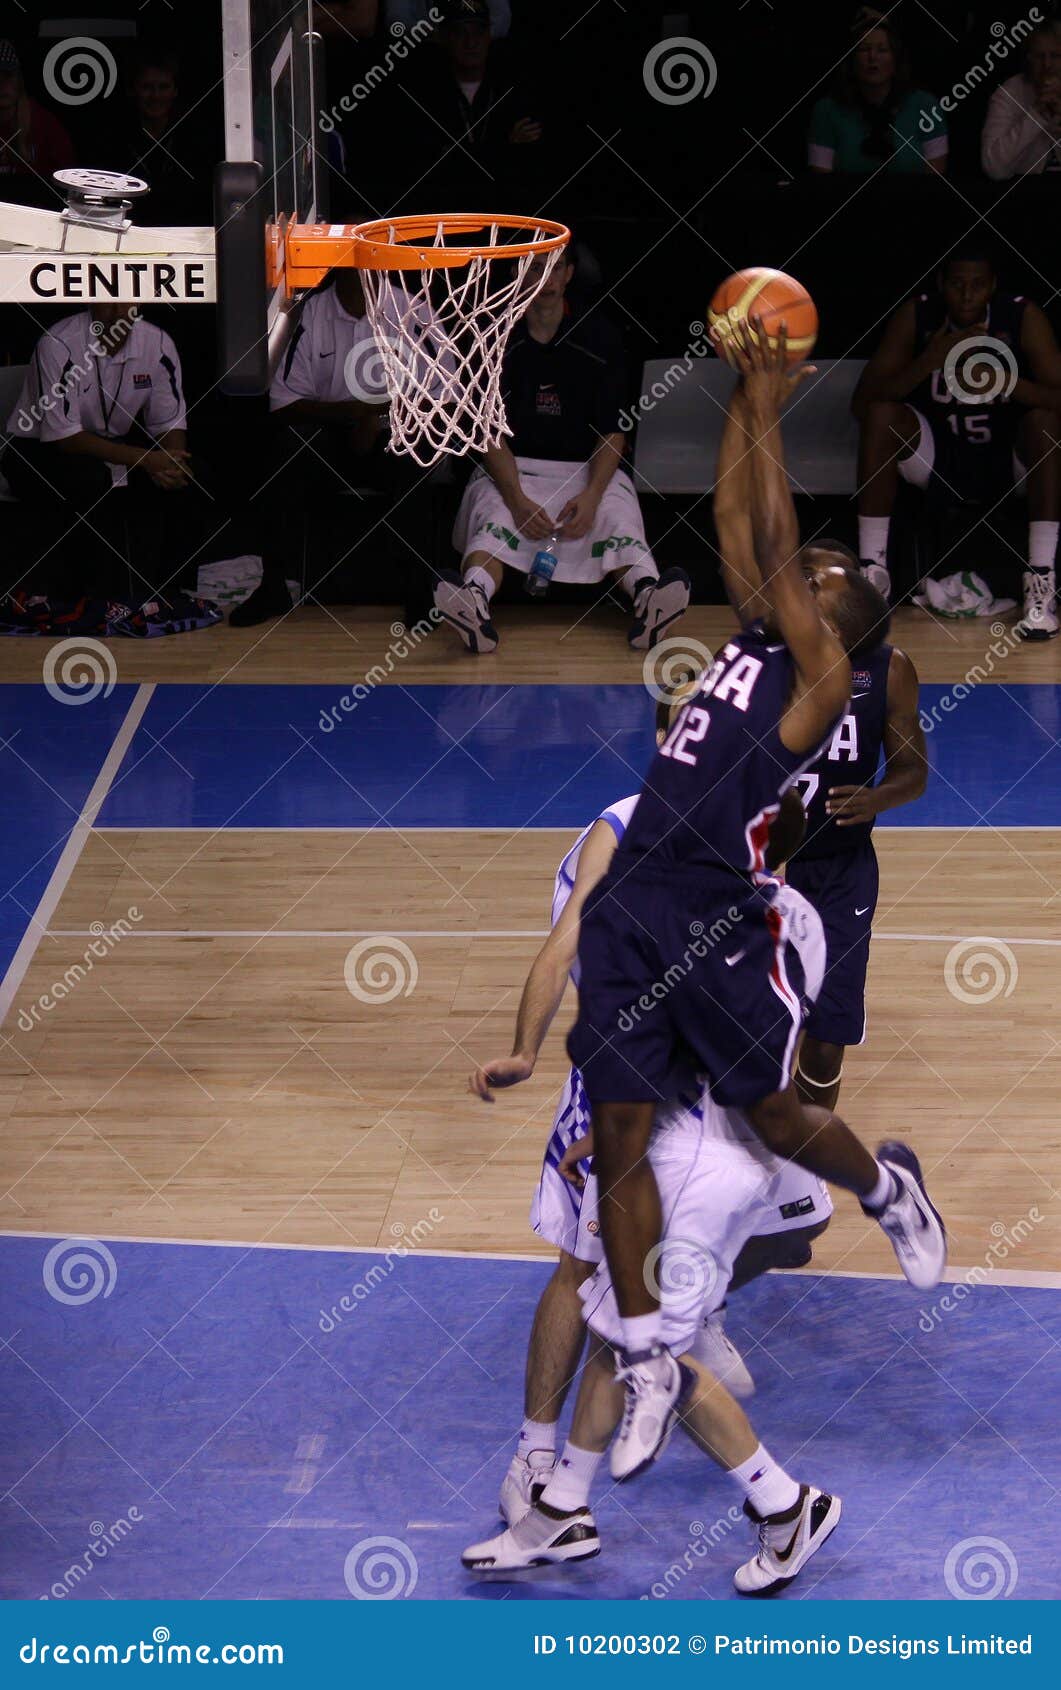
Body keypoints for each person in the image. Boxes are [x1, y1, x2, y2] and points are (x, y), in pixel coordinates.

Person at [564, 320, 946, 1483]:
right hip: (635, 899)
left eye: (827, 578)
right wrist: (741, 389)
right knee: (616, 1139)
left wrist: (771, 390)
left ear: (838, 623)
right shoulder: (754, 635)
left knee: (776, 1118)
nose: (807, 570)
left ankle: (886, 1189)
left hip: (715, 911)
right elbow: (741, 524)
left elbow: (772, 536)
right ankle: (641, 1363)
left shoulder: (824, 670)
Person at [468, 753, 829, 1524]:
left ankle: (696, 1342)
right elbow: (567, 945)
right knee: (583, 1271)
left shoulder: (762, 861)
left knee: (797, 1226)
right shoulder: (624, 830)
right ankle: (536, 1461)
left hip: (708, 1104)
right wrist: (527, 1052)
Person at [743, 544, 928, 1111]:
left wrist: (878, 798)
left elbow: (913, 771)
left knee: (825, 1041)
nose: (795, 583)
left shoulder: (889, 671)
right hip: (753, 864)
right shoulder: (762, 655)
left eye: (813, 580)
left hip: (837, 868)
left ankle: (806, 1165)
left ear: (835, 622)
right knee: (747, 1023)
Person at [436, 245, 689, 653]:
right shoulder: (496, 335)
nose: (547, 280)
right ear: (521, 273)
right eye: (536, 268)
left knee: (615, 515)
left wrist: (590, 497)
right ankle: (474, 602)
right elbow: (488, 432)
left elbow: (613, 433)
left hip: (584, 471)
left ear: (570, 274)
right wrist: (517, 499)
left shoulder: (600, 336)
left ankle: (648, 599)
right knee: (493, 516)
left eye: (555, 270)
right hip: (514, 469)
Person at [851, 244, 1061, 638]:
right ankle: (872, 574)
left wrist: (1007, 380)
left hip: (1006, 457)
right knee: (883, 416)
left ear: (993, 288)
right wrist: (928, 361)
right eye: (958, 285)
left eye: (978, 286)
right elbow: (862, 405)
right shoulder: (919, 315)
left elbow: (1057, 397)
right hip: (938, 457)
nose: (967, 296)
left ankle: (1041, 581)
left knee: (1045, 422)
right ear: (941, 285)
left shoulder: (1020, 316)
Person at [234, 268, 437, 627]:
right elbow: (283, 402)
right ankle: (274, 585)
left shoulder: (413, 310)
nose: (365, 270)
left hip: (395, 430)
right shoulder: (309, 313)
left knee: (417, 453)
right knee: (288, 447)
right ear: (338, 266)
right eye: (356, 260)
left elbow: (443, 396)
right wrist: (357, 413)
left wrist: (382, 416)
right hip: (331, 432)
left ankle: (420, 592)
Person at [4, 303, 209, 603]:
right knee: (88, 478)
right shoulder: (58, 342)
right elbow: (66, 439)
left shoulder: (158, 342)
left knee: (193, 476)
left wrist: (172, 462)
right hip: (37, 450)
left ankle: (162, 592)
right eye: (106, 302)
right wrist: (147, 460)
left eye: (122, 301)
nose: (114, 312)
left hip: (110, 447)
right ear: (90, 302)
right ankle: (85, 595)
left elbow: (168, 422)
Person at [807, 9, 947, 177]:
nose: (872, 57)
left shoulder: (926, 106)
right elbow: (821, 184)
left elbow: (935, 182)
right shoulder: (826, 110)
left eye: (882, 50)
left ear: (896, 58)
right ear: (852, 59)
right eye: (864, 49)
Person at [103, 49, 213, 226]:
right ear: (132, 91)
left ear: (175, 91)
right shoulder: (113, 140)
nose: (155, 96)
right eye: (147, 87)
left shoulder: (195, 139)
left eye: (163, 87)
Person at [982, 15, 1061, 179]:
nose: (1047, 65)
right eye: (1040, 56)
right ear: (1029, 58)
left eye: (1055, 56)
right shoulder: (1008, 94)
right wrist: (1036, 114)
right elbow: (994, 169)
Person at [0, 39, 75, 204]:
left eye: (8, 76)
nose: (2, 84)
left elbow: (68, 180)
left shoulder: (44, 122)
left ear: (19, 80)